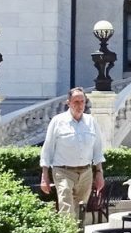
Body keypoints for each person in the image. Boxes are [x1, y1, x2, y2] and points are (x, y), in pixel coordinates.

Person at [38, 87, 105, 222]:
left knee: (81, 210)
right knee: (67, 210)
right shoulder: (58, 121)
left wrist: (99, 173)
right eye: (76, 102)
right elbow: (48, 149)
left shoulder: (91, 121)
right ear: (68, 103)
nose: (79, 105)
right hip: (63, 171)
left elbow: (97, 150)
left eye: (82, 101)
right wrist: (44, 176)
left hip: (86, 172)